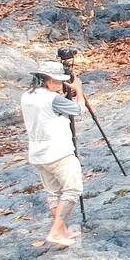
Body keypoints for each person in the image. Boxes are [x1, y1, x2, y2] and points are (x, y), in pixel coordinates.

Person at [20, 61, 86, 247]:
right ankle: (56, 231)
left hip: (38, 154)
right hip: (58, 153)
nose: (61, 85)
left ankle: (62, 230)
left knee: (54, 193)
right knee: (72, 190)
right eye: (58, 81)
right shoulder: (52, 99)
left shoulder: (26, 96)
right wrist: (78, 90)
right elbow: (79, 110)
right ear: (48, 81)